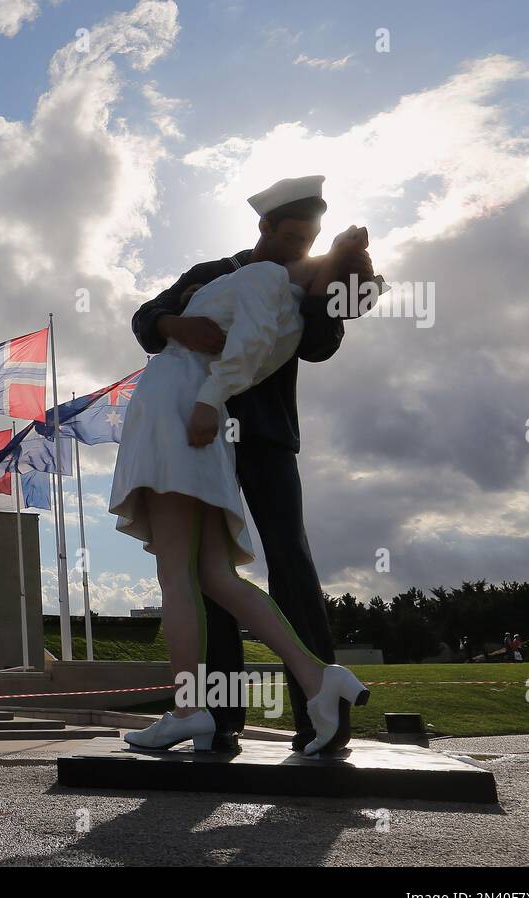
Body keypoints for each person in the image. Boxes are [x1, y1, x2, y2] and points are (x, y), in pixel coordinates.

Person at [110, 175, 372, 757]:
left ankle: (313, 717)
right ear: (265, 228)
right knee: (210, 579)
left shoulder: (302, 282)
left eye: (311, 240)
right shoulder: (213, 272)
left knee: (288, 563)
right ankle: (221, 715)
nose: (300, 248)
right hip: (199, 428)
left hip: (261, 436)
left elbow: (320, 344)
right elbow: (146, 319)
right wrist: (176, 326)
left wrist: (331, 284)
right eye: (293, 237)